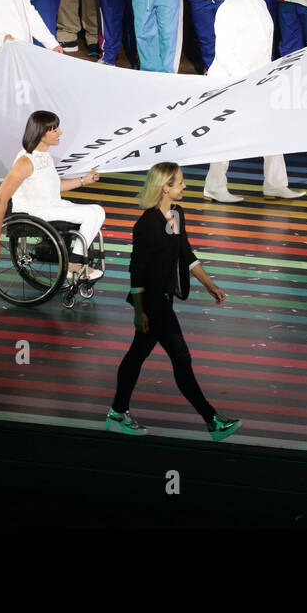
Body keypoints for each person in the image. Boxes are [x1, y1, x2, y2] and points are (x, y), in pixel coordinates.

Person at [106, 162, 241, 442]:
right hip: (153, 304)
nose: (184, 186)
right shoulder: (146, 224)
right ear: (165, 187)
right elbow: (136, 270)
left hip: (163, 299)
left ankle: (117, 413)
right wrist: (139, 311)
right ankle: (212, 421)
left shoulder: (177, 214)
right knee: (180, 358)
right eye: (180, 182)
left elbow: (186, 254)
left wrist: (211, 285)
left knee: (136, 356)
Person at [203, 0, 304, 203]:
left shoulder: (261, 3)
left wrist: (266, 76)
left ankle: (275, 184)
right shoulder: (230, 7)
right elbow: (224, 53)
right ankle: (214, 187)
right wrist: (247, 81)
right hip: (231, 81)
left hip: (258, 81)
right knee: (224, 136)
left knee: (273, 132)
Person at [0, 111, 105, 281]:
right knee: (90, 214)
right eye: (54, 130)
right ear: (40, 133)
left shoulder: (45, 157)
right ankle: (74, 265)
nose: (60, 132)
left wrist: (84, 180)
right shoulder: (25, 162)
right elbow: (0, 199)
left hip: (52, 204)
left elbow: (53, 187)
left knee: (98, 211)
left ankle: (75, 262)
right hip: (35, 211)